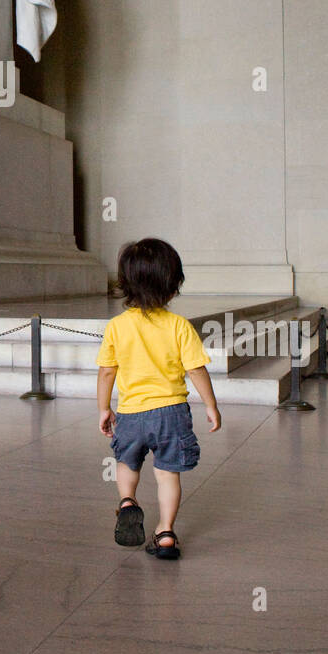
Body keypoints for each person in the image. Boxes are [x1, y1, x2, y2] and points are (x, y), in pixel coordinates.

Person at [96, 237, 221, 560]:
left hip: (131, 413)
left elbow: (107, 372)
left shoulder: (117, 327)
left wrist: (103, 408)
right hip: (171, 413)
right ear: (172, 285)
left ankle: (127, 501)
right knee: (167, 473)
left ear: (125, 284)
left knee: (127, 462)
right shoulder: (179, 326)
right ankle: (165, 532)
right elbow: (196, 370)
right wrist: (211, 405)